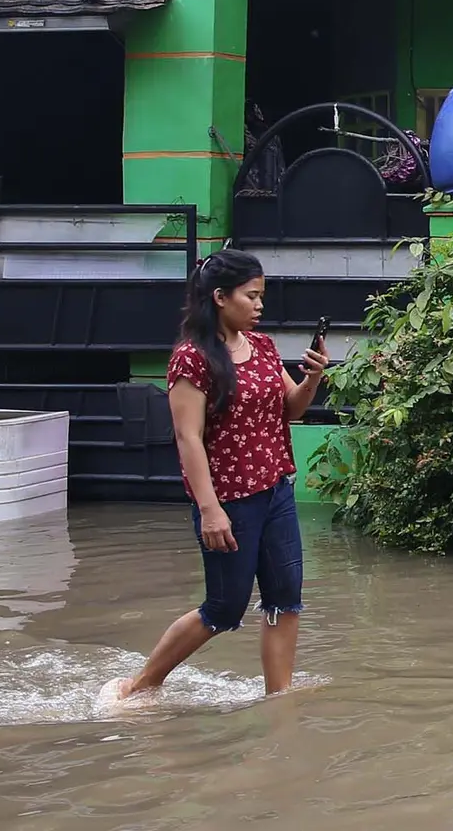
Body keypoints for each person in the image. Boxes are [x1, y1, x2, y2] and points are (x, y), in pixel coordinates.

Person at [105, 249, 326, 701]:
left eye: (262, 295)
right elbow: (188, 438)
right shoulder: (192, 359)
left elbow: (292, 411)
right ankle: (140, 686)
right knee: (224, 609)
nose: (260, 305)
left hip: (276, 491)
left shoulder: (261, 345)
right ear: (221, 297)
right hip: (229, 501)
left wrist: (312, 379)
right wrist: (210, 510)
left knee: (285, 600)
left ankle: (277, 698)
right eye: (252, 296)